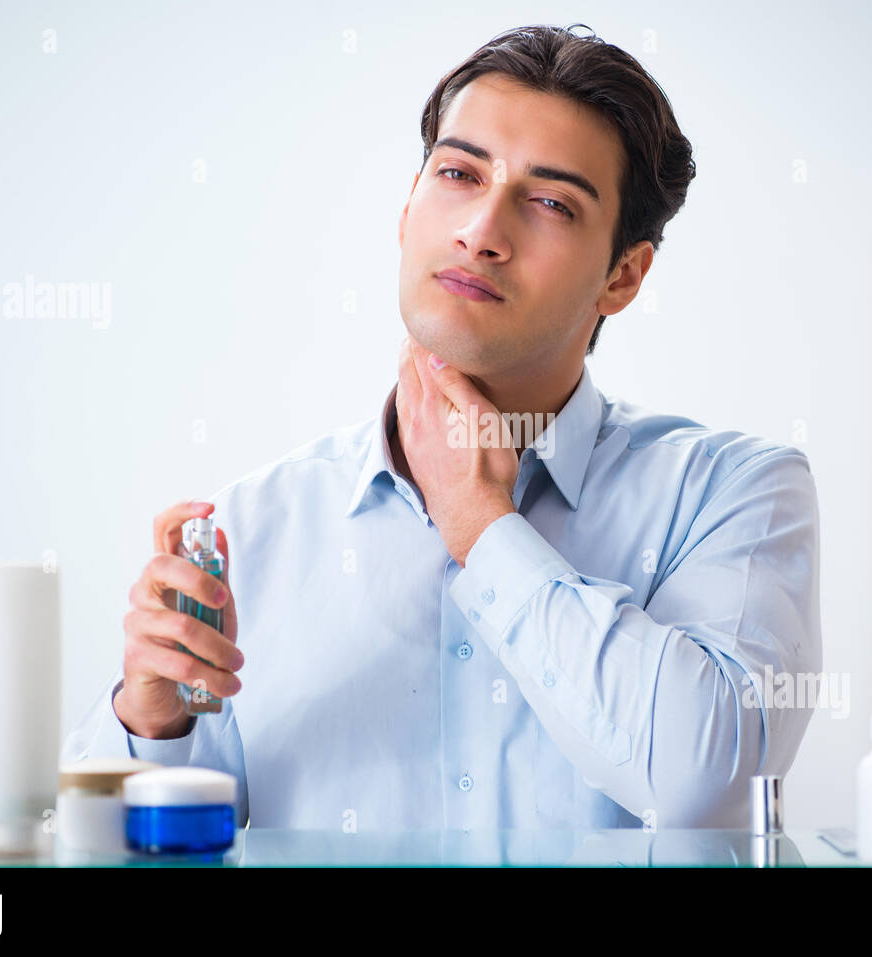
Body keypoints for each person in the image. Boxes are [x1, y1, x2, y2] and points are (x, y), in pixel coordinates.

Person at [62, 23, 821, 831]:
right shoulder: (249, 531)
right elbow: (123, 851)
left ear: (624, 275)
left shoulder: (735, 493)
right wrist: (150, 722)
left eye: (551, 201)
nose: (482, 232)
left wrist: (483, 529)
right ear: (406, 213)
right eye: (459, 173)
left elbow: (710, 784)